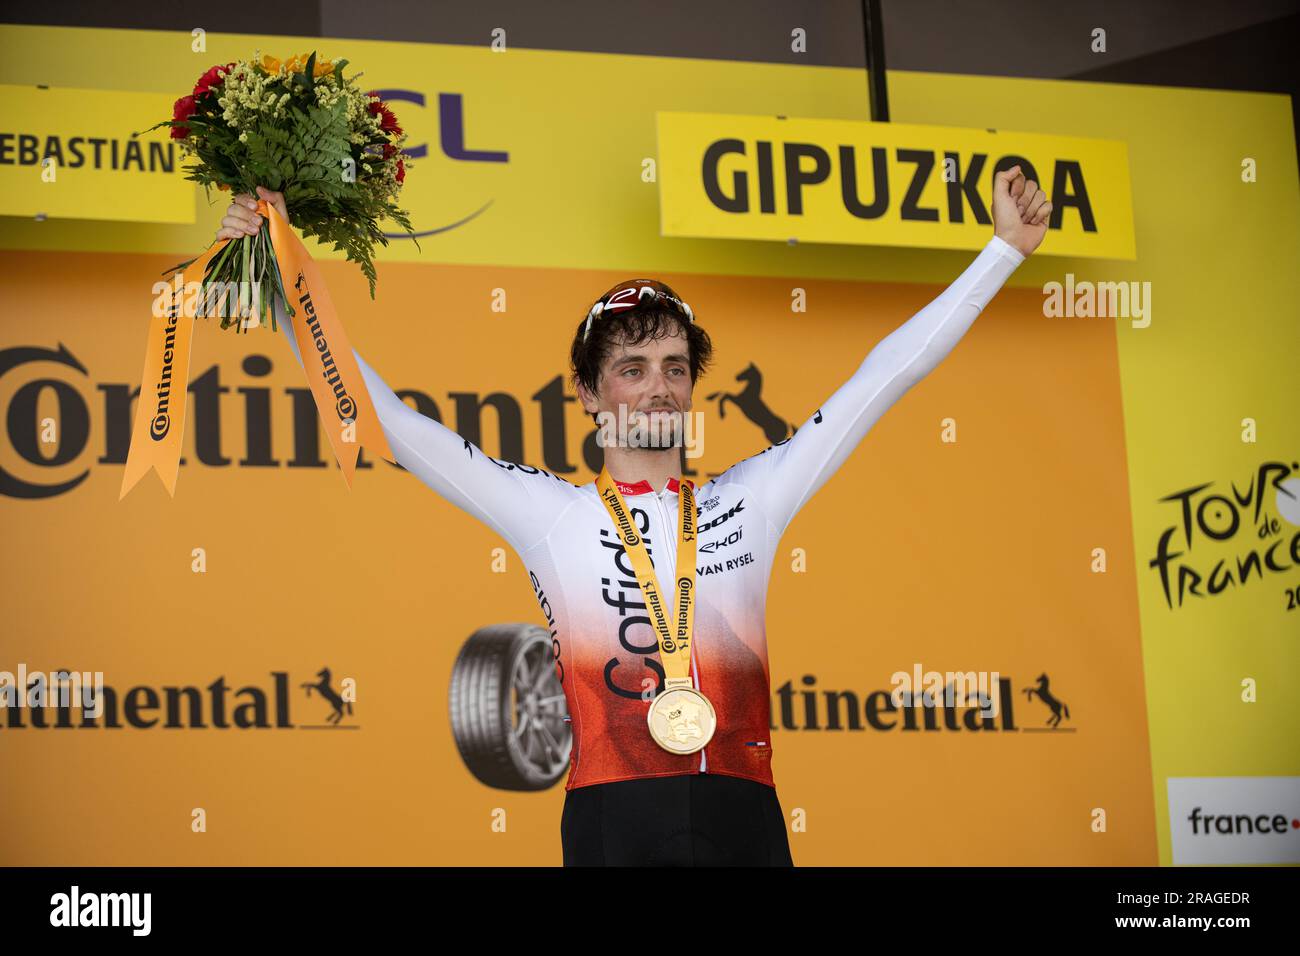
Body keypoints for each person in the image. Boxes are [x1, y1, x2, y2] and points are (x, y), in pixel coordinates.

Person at [216, 167, 1050, 866]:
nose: (659, 386)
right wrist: (282, 282)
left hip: (743, 813)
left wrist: (1002, 253)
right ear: (588, 392)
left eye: (676, 367)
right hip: (612, 819)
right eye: (633, 367)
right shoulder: (551, 515)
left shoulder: (751, 499)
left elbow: (883, 378)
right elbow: (389, 424)